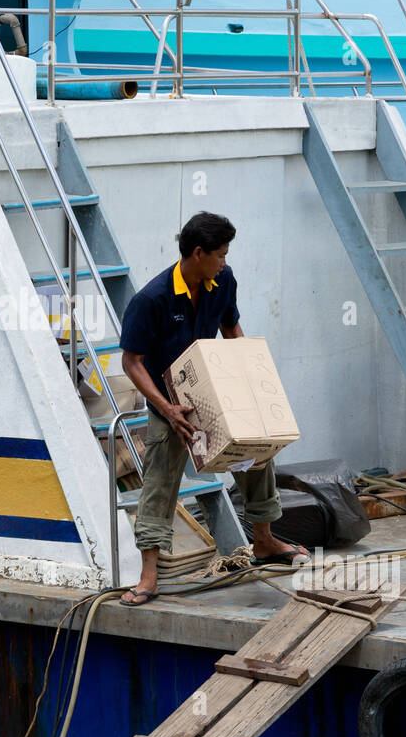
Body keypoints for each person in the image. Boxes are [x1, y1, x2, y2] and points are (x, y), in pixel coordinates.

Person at [117, 212, 308, 606]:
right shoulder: (151, 299)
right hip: (168, 399)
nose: (225, 261)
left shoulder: (223, 280)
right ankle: (149, 574)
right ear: (198, 253)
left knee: (258, 451)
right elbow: (131, 362)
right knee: (160, 479)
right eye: (220, 254)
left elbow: (231, 328)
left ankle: (264, 540)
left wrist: (251, 384)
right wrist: (167, 409)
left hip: (211, 388)